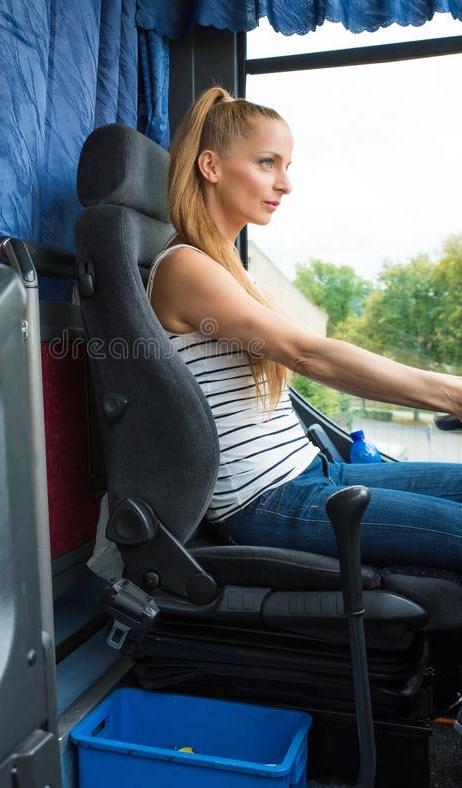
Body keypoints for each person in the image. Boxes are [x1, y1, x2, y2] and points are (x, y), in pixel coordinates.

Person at [147, 85, 462, 571]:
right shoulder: (184, 268)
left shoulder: (234, 272)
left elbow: (315, 351)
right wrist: (451, 394)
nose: (286, 184)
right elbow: (308, 354)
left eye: (286, 167)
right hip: (266, 501)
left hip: (312, 471)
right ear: (210, 167)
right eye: (267, 163)